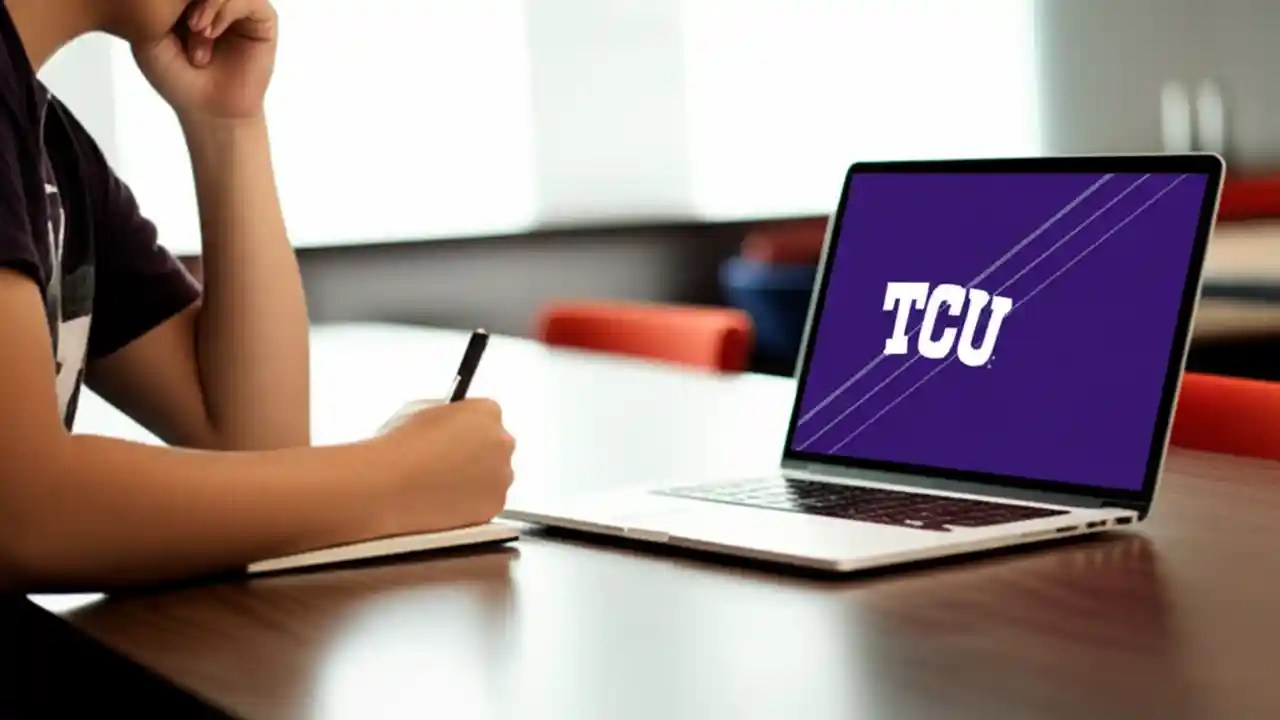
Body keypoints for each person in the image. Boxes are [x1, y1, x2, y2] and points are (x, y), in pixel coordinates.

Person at [0, 0, 515, 591]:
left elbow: (254, 445)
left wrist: (229, 123)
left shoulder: (49, 146)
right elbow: (22, 507)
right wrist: (402, 478)